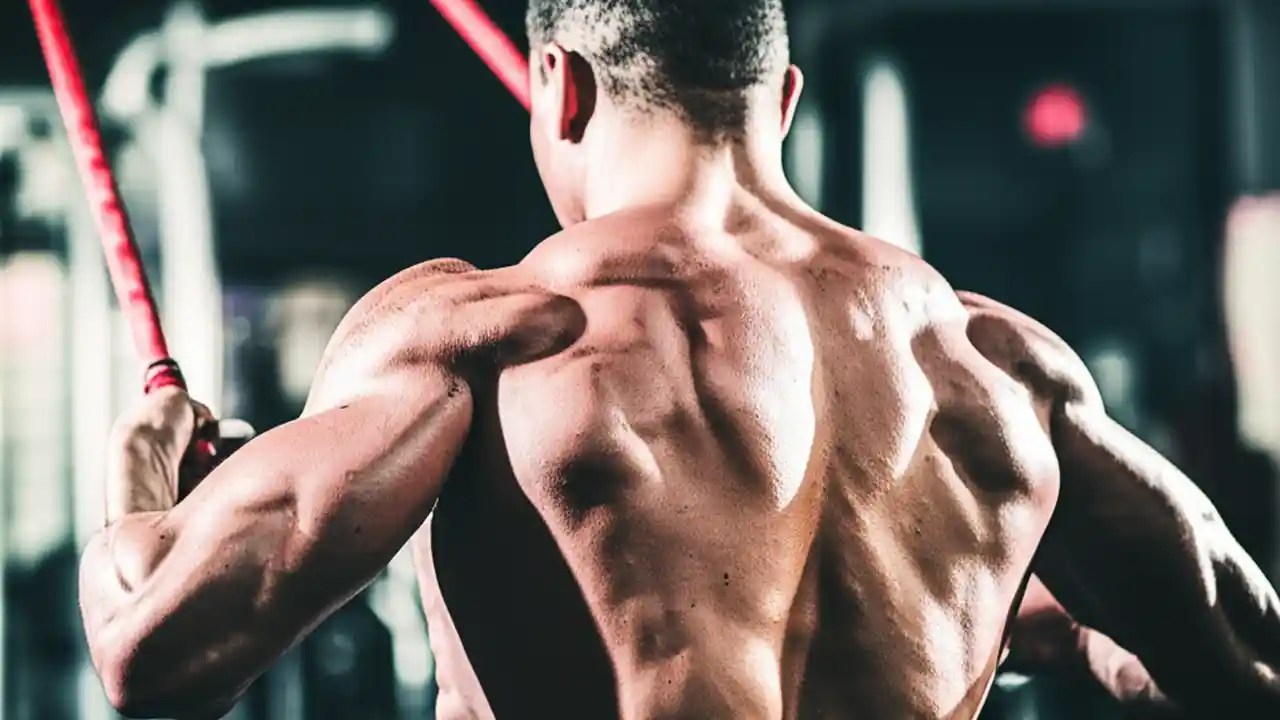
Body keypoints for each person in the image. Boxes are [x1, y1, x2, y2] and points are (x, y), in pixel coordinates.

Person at [80, 1, 1280, 718]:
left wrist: (144, 473)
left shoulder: (494, 333)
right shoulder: (994, 367)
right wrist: (1024, 622)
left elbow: (153, 650)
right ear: (783, 101)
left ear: (555, 87)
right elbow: (1244, 658)